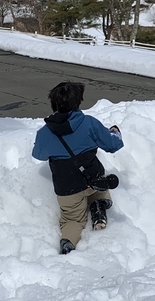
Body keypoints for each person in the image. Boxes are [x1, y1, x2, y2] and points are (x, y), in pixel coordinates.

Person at [32, 81, 124, 254]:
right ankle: (98, 205)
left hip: (67, 190)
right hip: (93, 180)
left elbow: (38, 154)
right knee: (99, 184)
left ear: (54, 103)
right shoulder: (89, 123)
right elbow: (113, 144)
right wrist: (115, 132)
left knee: (72, 220)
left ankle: (68, 243)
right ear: (78, 101)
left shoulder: (45, 133)